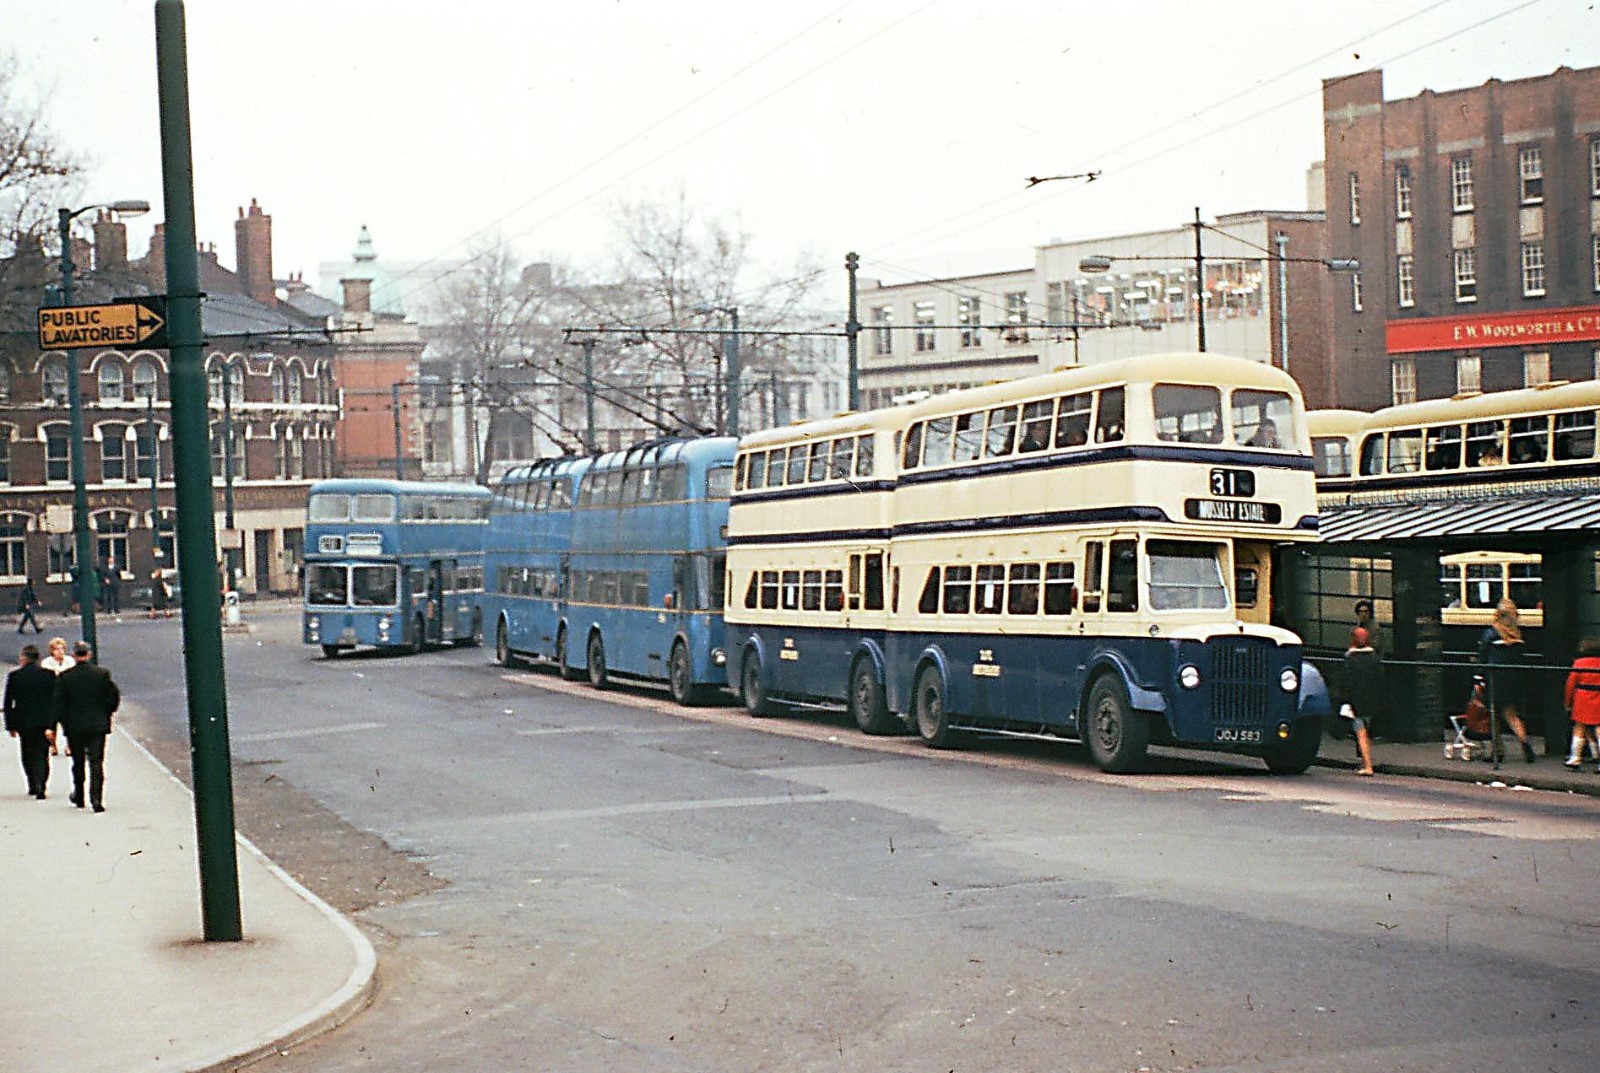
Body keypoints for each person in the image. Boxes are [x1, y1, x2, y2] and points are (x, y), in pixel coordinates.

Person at [52, 641, 120, 812]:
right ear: (88, 655)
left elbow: (59, 704)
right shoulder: (102, 674)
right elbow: (113, 696)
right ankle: (96, 798)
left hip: (75, 726)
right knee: (96, 762)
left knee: (78, 761)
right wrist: (106, 712)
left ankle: (79, 795)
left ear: (74, 656)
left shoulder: (65, 677)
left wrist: (64, 722)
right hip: (97, 724)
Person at [1476, 598, 1539, 763]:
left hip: (1494, 678)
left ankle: (1497, 752)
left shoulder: (1491, 633)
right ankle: (1525, 744)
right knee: (1511, 715)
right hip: (1513, 679)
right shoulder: (1517, 634)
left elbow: (1483, 657)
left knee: (1493, 715)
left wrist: (1479, 678)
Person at [4, 644, 59, 799]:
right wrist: (53, 723)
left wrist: (10, 725)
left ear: (24, 658)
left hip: (24, 721)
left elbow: (8, 702)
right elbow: (55, 700)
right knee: (42, 753)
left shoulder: (15, 677)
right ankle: (42, 782)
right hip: (44, 721)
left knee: (27, 752)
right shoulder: (49, 675)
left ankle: (32, 783)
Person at [1335, 626, 1381, 775]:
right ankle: (1365, 762)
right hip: (1372, 700)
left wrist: (1344, 699)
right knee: (1365, 730)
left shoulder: (1350, 658)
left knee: (1360, 732)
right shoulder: (1374, 657)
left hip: (1356, 702)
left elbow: (1346, 682)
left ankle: (1368, 765)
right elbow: (1380, 678)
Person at [1562, 637, 1600, 772]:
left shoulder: (1579, 663)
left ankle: (1575, 758)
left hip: (1582, 698)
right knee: (1599, 729)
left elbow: (1570, 685)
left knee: (1579, 727)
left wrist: (1568, 702)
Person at [40, 636, 71, 756]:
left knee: (68, 724)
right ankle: (53, 745)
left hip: (66, 698)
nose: (60, 651)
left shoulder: (69, 660)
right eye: (57, 649)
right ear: (52, 651)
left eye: (62, 649)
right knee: (51, 726)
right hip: (51, 697)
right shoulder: (46, 662)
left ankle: (69, 745)